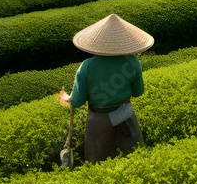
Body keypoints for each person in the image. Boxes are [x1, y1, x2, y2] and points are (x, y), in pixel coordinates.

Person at [58, 14, 151, 164]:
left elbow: (77, 101)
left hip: (99, 121)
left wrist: (67, 98)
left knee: (100, 162)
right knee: (132, 159)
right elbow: (138, 92)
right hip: (126, 117)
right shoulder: (132, 61)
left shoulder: (87, 66)